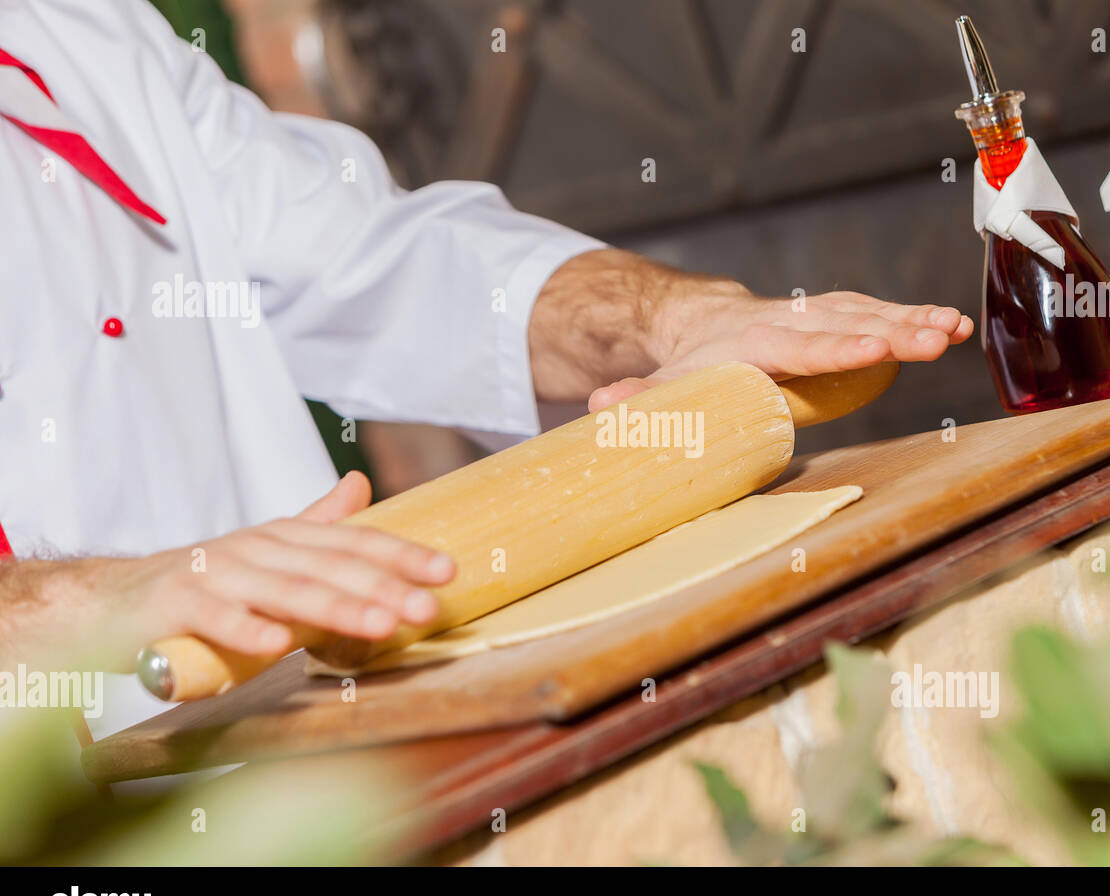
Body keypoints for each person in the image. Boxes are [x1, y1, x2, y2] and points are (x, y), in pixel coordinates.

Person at [0, 0, 972, 737]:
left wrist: (677, 318)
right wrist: (80, 604)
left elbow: (378, 259)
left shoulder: (74, 31)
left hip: (308, 753)